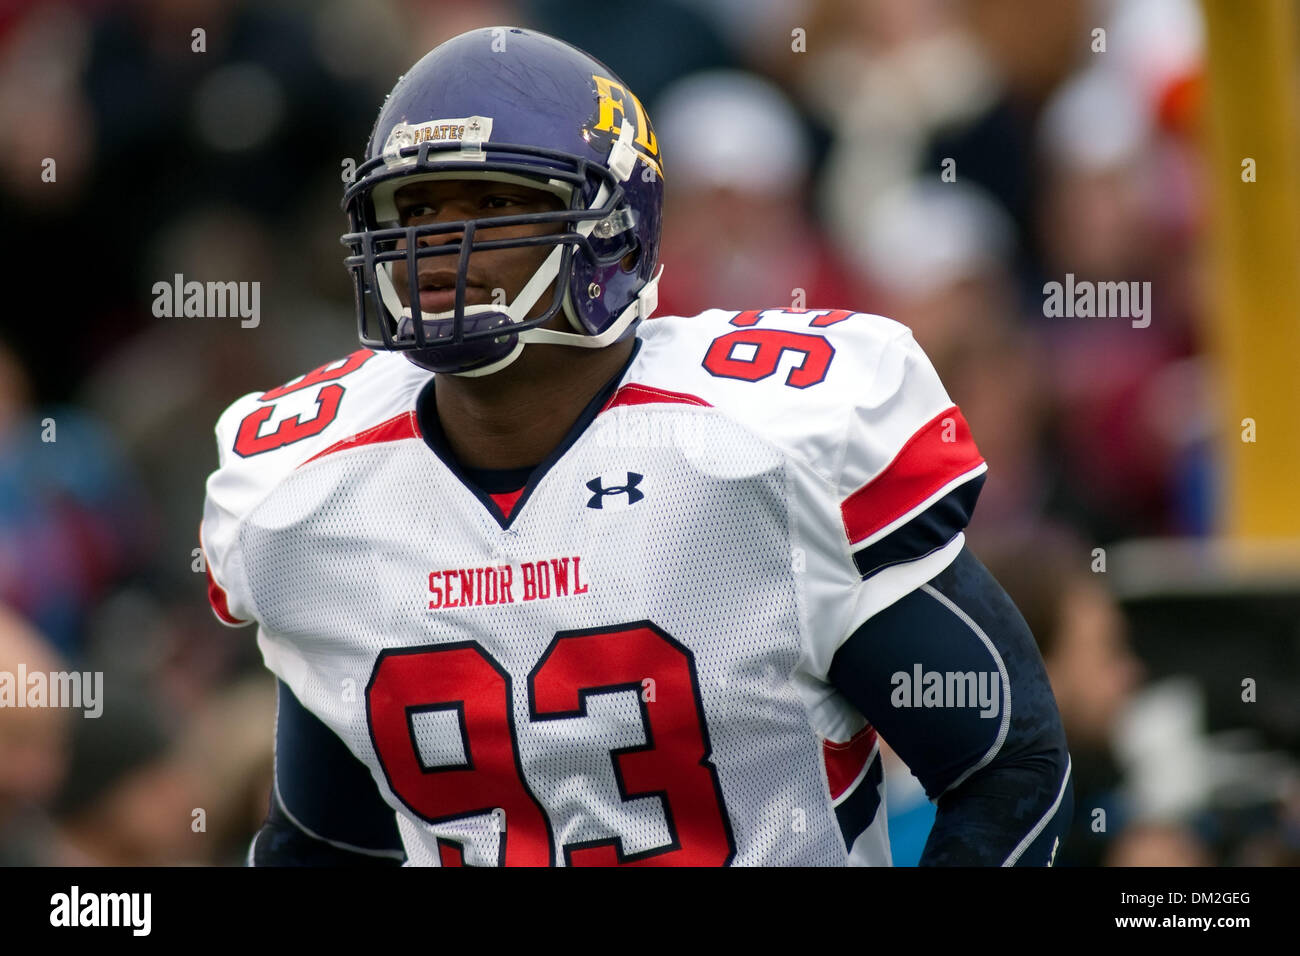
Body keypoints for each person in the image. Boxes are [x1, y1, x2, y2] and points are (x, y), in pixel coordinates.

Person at [201, 26, 1072, 866]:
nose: (439, 244)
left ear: (611, 229)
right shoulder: (313, 491)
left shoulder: (765, 445)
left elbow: (1007, 765)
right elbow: (328, 845)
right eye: (415, 208)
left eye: (495, 203)